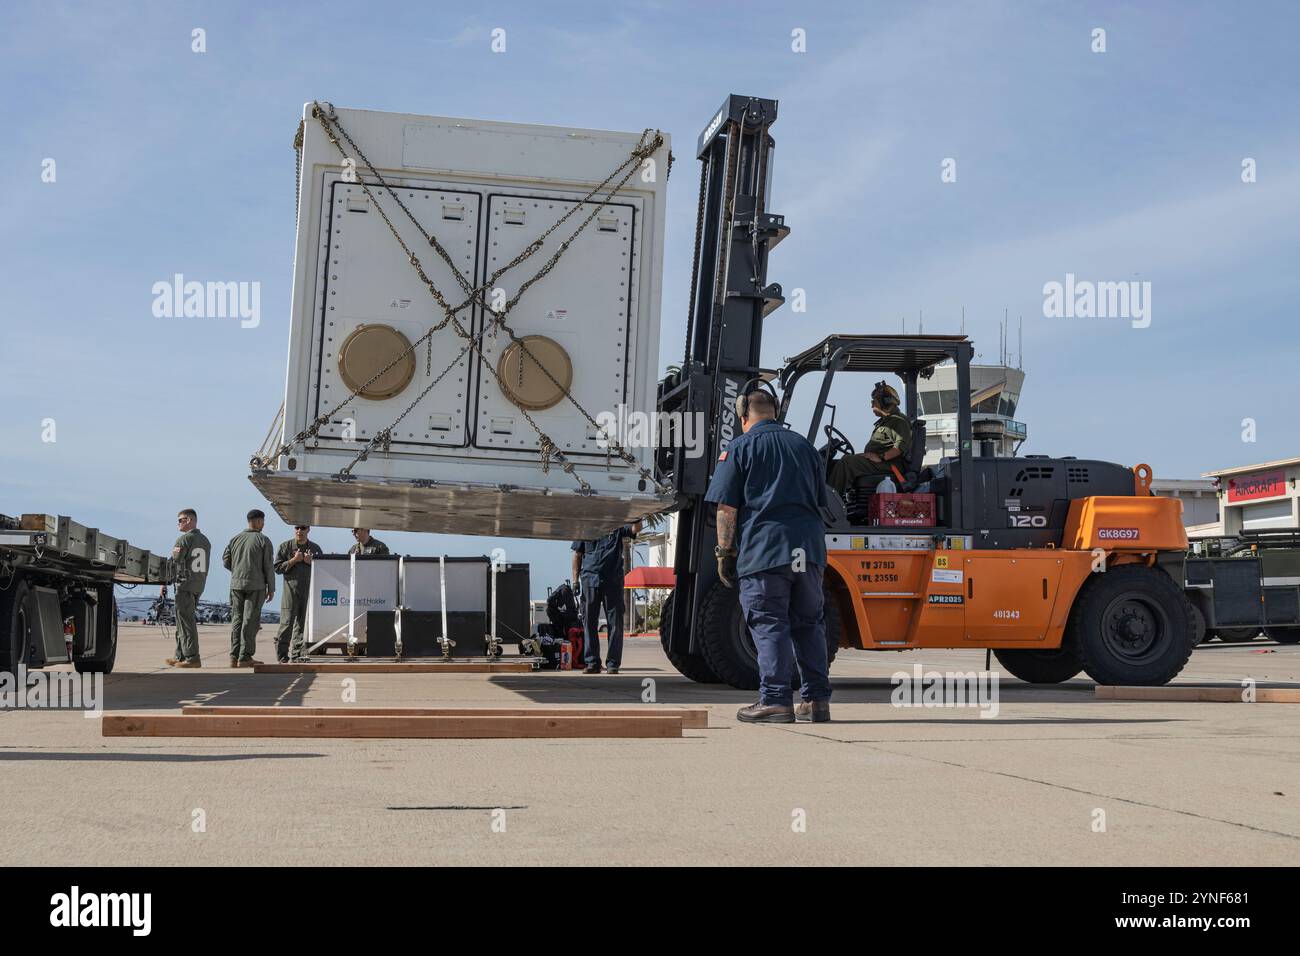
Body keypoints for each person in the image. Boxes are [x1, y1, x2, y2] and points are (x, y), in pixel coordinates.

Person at [705, 388, 833, 723]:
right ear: (775, 410)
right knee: (809, 623)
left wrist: (724, 553)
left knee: (769, 622)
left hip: (767, 550)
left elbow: (726, 508)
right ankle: (816, 701)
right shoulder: (805, 447)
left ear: (742, 415)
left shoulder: (739, 448)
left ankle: (775, 700)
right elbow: (821, 501)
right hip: (808, 550)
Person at [570, 521, 641, 674]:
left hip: (612, 582)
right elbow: (577, 554)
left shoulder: (618, 526)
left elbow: (635, 529)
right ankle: (592, 663)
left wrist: (639, 514)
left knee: (615, 623)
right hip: (590, 581)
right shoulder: (585, 528)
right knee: (589, 622)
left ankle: (613, 664)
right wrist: (575, 581)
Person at [827, 381, 912, 496]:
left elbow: (900, 447)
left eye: (874, 402)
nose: (872, 405)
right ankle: (827, 498)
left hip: (890, 466)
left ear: (885, 402)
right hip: (881, 464)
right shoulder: (886, 422)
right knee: (832, 464)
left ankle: (828, 503)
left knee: (847, 462)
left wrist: (881, 457)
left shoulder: (898, 421)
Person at [222, 509, 275, 667]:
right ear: (258, 521)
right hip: (256, 585)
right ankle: (245, 657)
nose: (264, 524)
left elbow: (226, 560)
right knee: (250, 621)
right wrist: (271, 588)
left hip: (236, 585)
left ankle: (234, 656)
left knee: (237, 620)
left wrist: (238, 570)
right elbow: (268, 566)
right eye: (263, 521)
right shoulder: (263, 540)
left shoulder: (235, 539)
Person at [164, 508, 210, 668]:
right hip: (198, 584)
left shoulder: (184, 540)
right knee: (182, 620)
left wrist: (164, 583)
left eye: (180, 520)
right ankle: (180, 655)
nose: (178, 523)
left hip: (185, 584)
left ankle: (192, 657)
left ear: (189, 520)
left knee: (185, 622)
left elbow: (174, 563)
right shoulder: (205, 540)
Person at [274, 525, 323, 663]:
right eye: (297, 528)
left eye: (303, 528)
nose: (299, 531)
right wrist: (293, 560)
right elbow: (277, 568)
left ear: (308, 530)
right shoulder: (285, 547)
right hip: (290, 590)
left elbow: (323, 570)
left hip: (308, 591)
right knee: (287, 623)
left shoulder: (315, 549)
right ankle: (282, 655)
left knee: (303, 624)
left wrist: (311, 562)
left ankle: (298, 655)